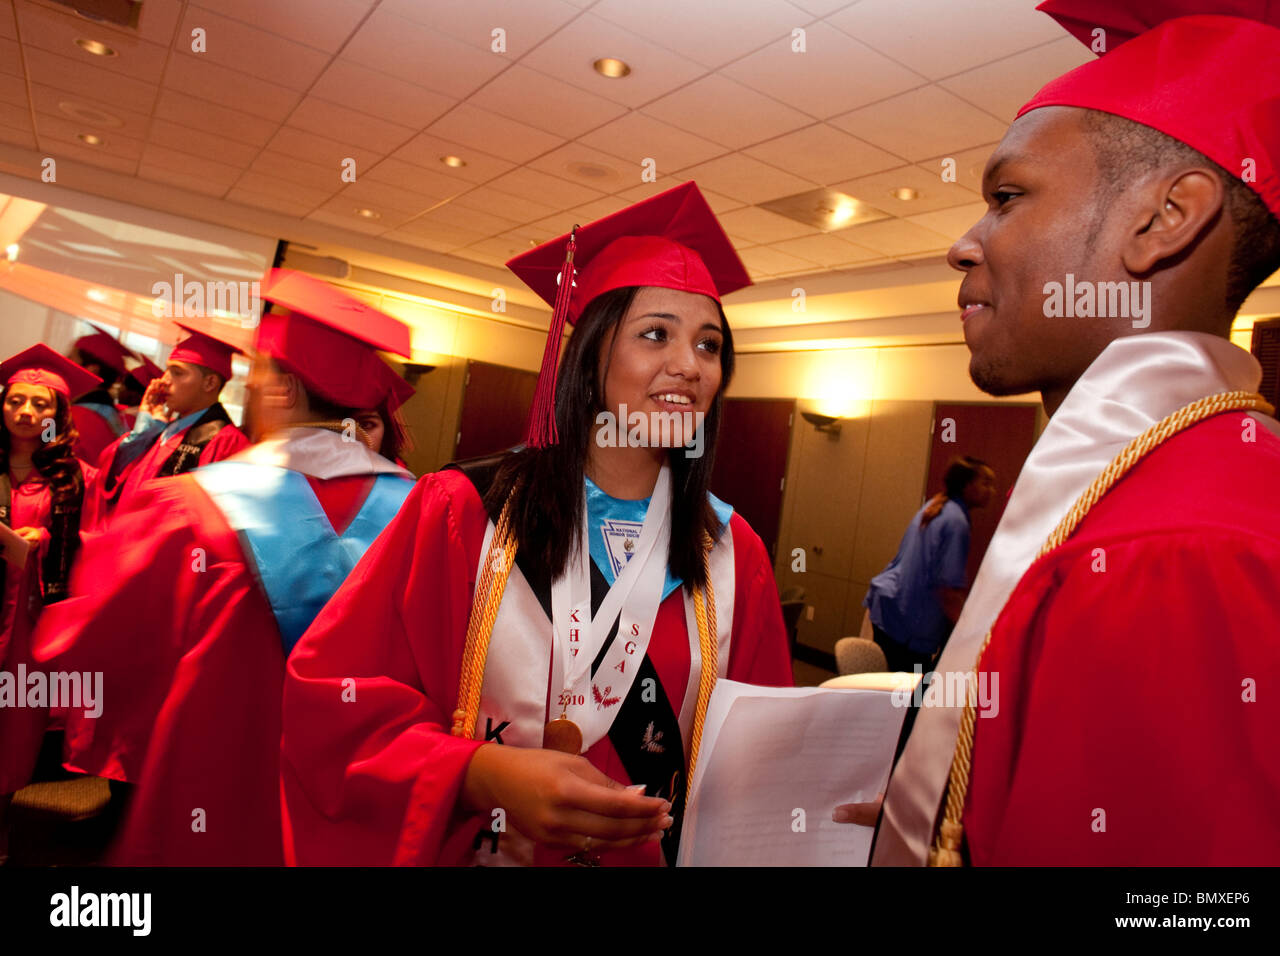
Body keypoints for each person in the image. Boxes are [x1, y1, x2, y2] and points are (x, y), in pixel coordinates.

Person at [859, 0, 1280, 866]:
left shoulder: (1187, 550)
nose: (962, 244)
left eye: (1007, 197)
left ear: (1166, 218)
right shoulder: (1164, 483)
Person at [280, 182, 793, 867]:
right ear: (587, 361)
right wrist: (476, 773)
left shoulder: (733, 551)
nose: (688, 366)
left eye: (708, 345)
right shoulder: (465, 512)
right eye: (655, 335)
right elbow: (335, 703)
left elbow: (764, 752)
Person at [30, 270, 418, 865]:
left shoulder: (188, 507)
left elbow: (95, 648)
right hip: (361, 808)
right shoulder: (425, 515)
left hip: (210, 800)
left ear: (284, 389)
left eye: (259, 375)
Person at [0, 346, 102, 860]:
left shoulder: (77, 479)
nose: (25, 413)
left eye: (40, 406)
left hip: (29, 623)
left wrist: (41, 539)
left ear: (57, 418)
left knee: (12, 732)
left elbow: (94, 553)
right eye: (15, 401)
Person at [92, 324, 250, 520]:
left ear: (210, 383)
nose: (164, 380)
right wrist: (143, 433)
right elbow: (109, 481)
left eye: (177, 372)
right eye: (167, 370)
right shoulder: (162, 430)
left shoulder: (227, 443)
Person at [862, 456, 996, 673]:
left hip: (889, 607)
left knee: (892, 693)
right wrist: (972, 630)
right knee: (911, 697)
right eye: (985, 483)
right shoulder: (956, 522)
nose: (992, 491)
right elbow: (947, 591)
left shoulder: (935, 505)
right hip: (907, 623)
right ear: (967, 485)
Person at [67, 327, 132, 465]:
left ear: (91, 369)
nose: (64, 360)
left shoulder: (78, 417)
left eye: (71, 358)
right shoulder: (111, 415)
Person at [116, 356, 163, 430]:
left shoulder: (126, 417)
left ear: (133, 393)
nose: (119, 390)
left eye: (123, 386)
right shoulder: (158, 421)